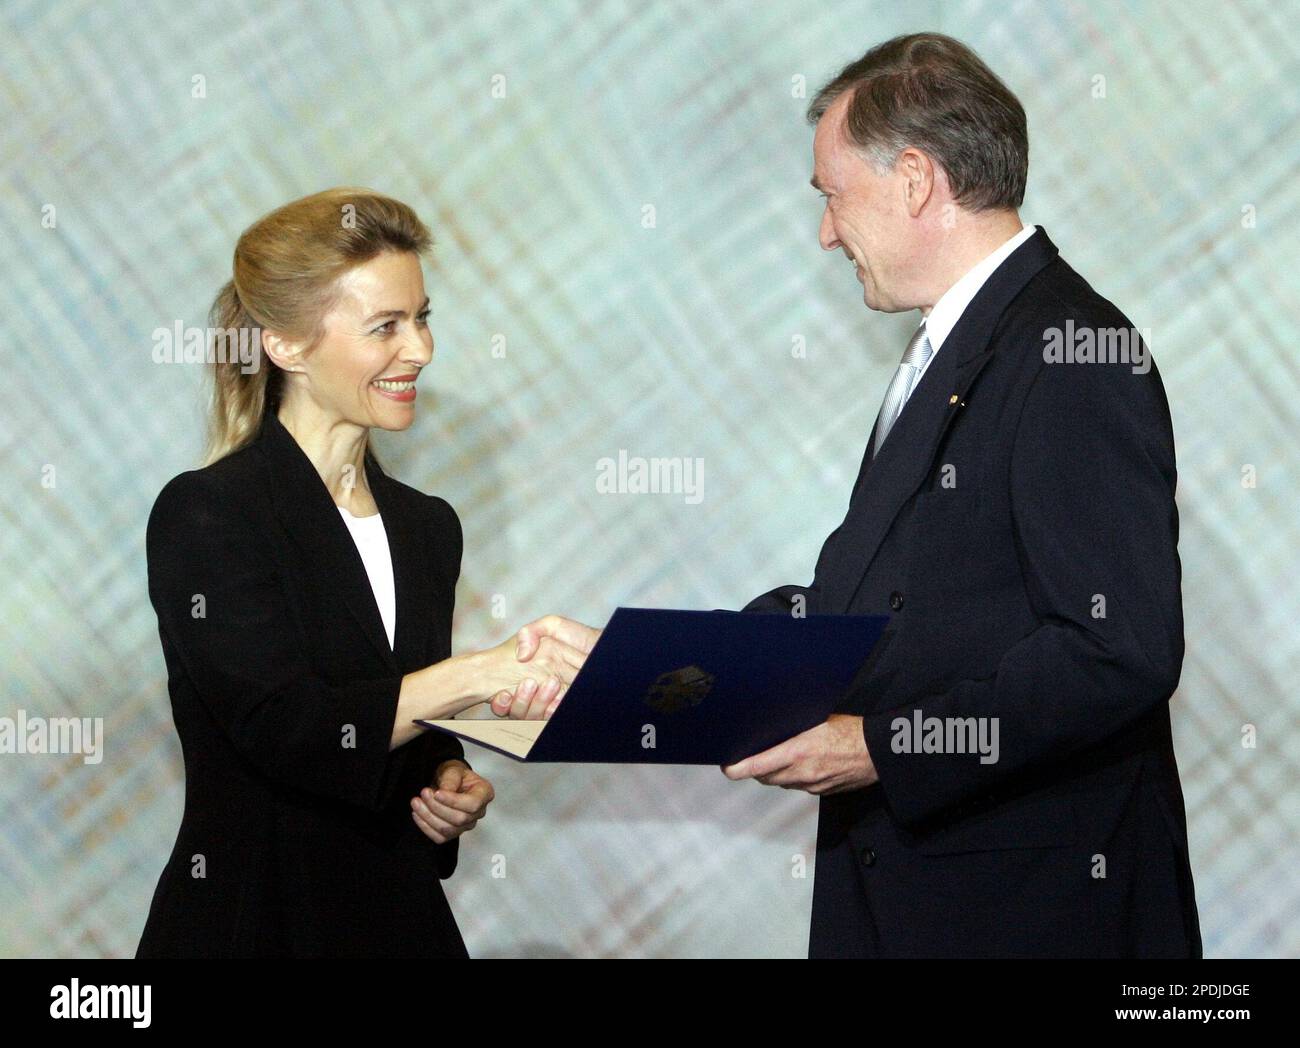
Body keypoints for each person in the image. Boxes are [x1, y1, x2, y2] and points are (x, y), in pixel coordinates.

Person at [518, 33, 1202, 958]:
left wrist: (884, 748)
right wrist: (646, 667)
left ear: (916, 179)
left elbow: (1118, 649)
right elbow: (865, 611)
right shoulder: (957, 348)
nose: (826, 234)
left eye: (832, 197)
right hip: (922, 898)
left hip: (1028, 913)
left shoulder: (1071, 352)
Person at [137, 188, 590, 958]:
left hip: (398, 922)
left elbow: (386, 718)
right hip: (256, 925)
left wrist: (446, 773)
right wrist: (479, 673)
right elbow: (292, 732)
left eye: (422, 318)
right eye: (386, 326)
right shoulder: (207, 514)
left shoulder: (426, 526)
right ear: (285, 347)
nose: (420, 349)